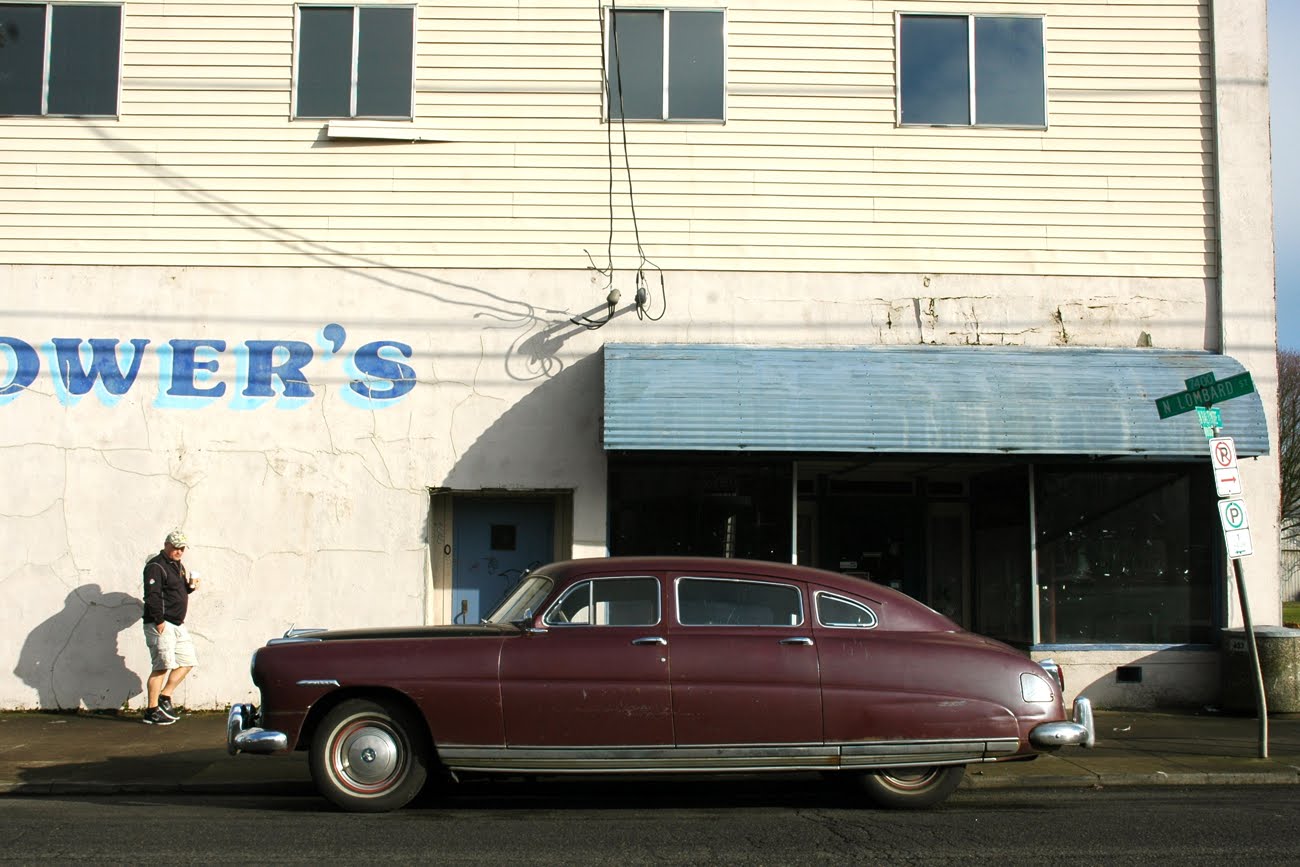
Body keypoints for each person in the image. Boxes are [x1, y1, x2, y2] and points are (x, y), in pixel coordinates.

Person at [140, 529, 200, 725]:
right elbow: (152, 595)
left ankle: (164, 697)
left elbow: (179, 590)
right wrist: (158, 621)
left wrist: (190, 587)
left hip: (177, 624)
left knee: (187, 661)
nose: (179, 551)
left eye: (182, 548)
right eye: (175, 547)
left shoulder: (178, 566)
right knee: (162, 666)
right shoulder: (155, 566)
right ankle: (151, 710)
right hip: (162, 623)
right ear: (166, 545)